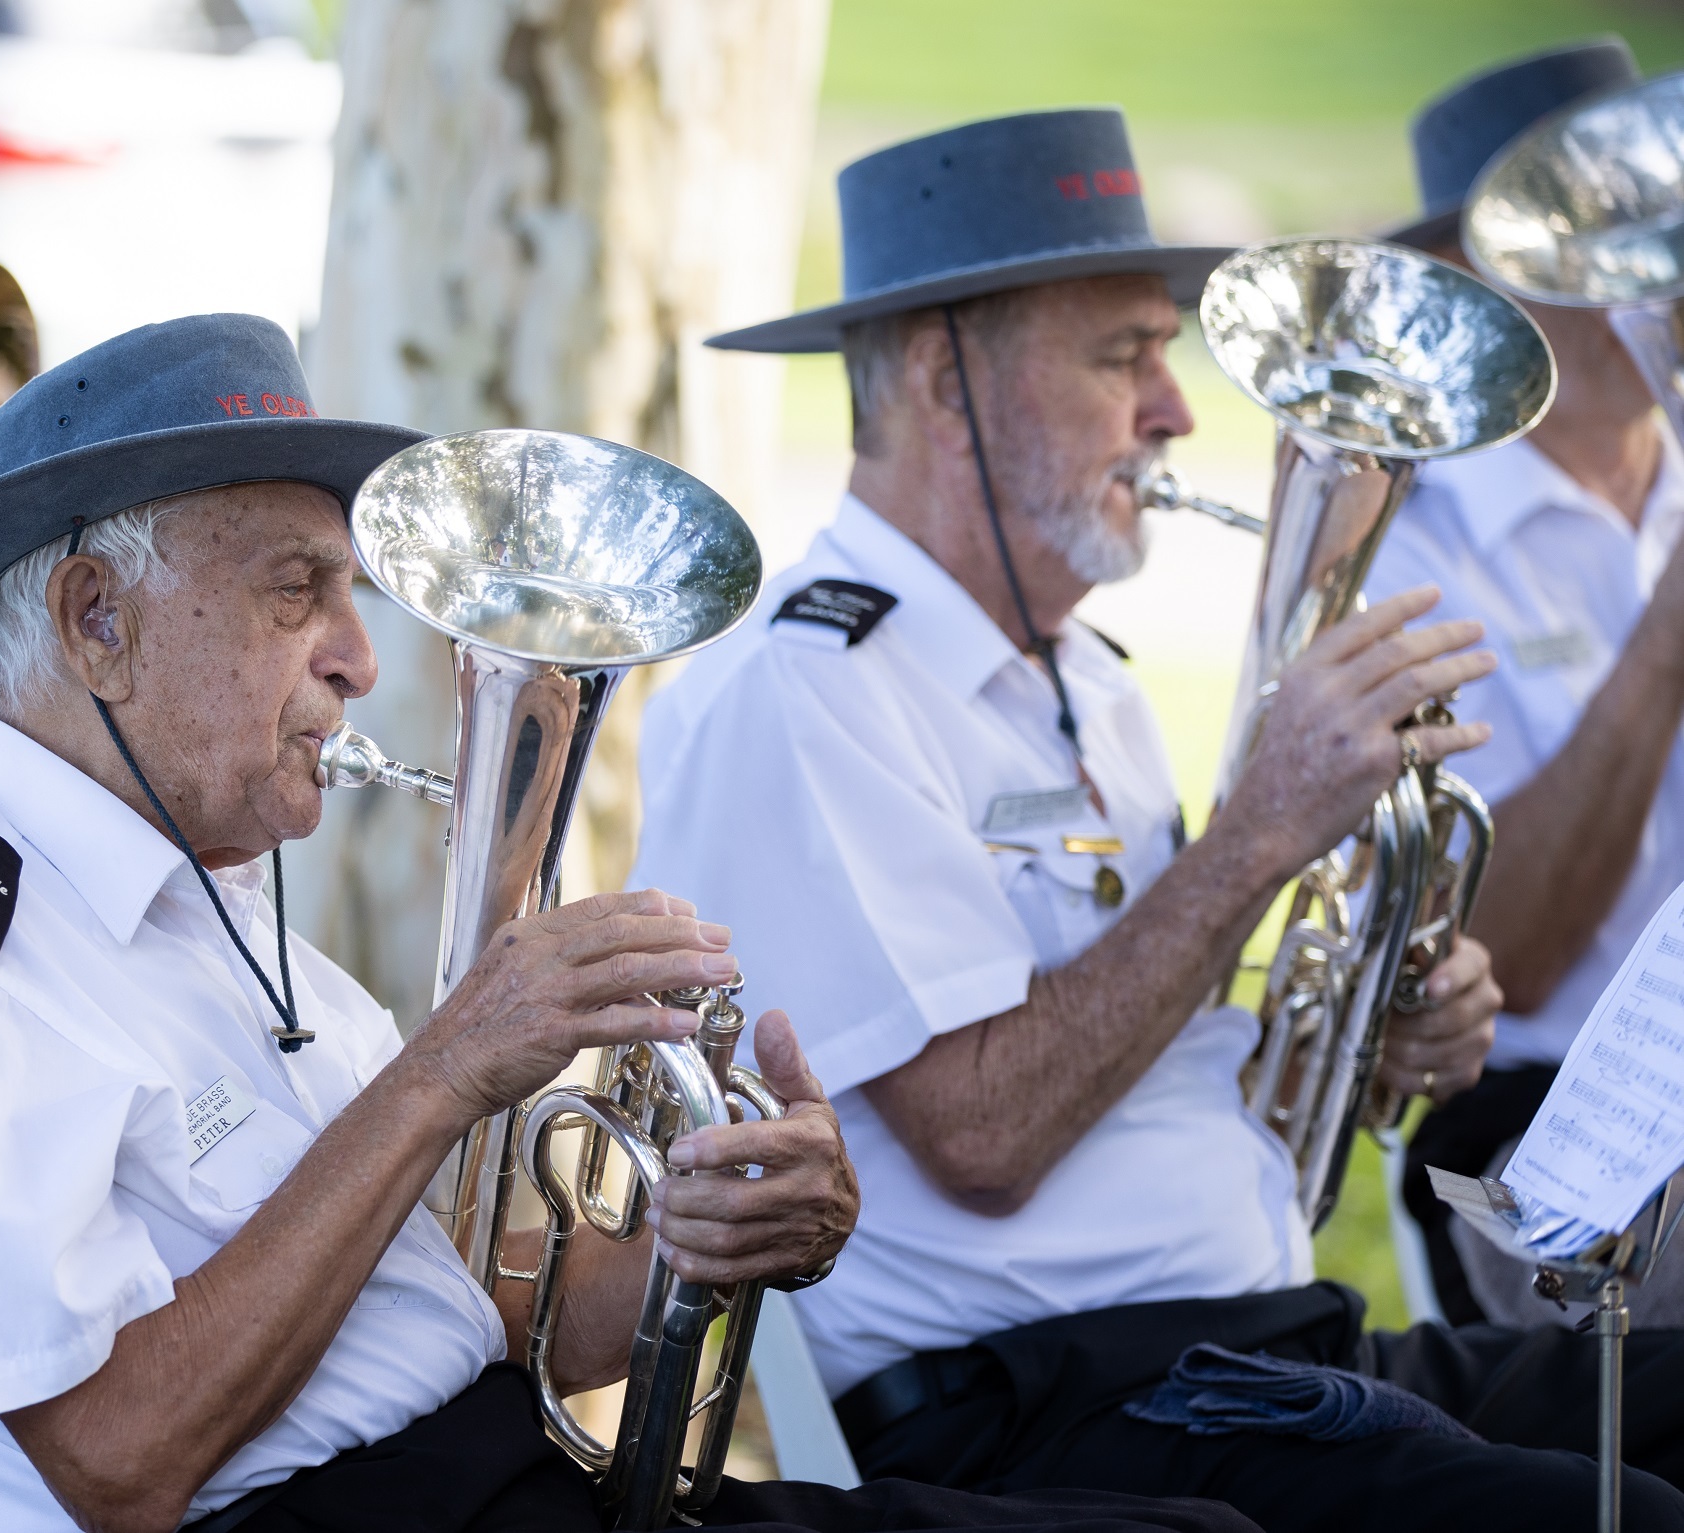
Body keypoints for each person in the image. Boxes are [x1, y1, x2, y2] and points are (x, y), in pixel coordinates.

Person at [0, 312, 1269, 1533]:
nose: (355, 658)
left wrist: (697, 1239)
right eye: (295, 591)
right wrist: (445, 1070)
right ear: (95, 622)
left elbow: (457, 1316)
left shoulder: (209, 906)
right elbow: (116, 1460)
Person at [629, 107, 1684, 1533]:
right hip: (1052, 1407)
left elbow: (1161, 1063)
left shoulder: (1087, 682)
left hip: (1251, 1354)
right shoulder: (800, 689)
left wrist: (1373, 1033)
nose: (1179, 410)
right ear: (948, 377)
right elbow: (989, 1133)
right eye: (1124, 356)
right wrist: (1263, 827)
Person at [1360, 38, 1684, 1328]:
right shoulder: (1410, 549)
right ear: (1471, 285)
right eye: (1600, 245)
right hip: (1544, 1128)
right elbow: (1517, 953)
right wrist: (1666, 639)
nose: (1652, 288)